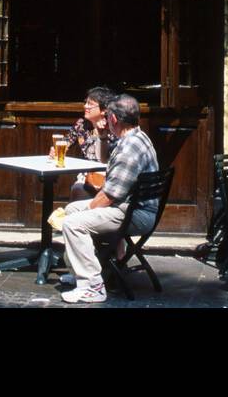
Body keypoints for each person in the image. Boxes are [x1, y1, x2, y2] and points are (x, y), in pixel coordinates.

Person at [59, 94, 159, 303]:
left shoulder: (129, 149)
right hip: (131, 207)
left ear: (114, 119)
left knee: (72, 223)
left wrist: (87, 213)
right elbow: (109, 174)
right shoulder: (137, 137)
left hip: (136, 214)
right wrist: (103, 136)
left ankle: (93, 286)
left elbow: (109, 196)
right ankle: (83, 272)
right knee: (71, 210)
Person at [55, 86, 116, 201]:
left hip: (107, 177)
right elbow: (66, 142)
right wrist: (56, 150)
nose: (85, 106)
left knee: (77, 190)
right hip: (86, 176)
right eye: (85, 103)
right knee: (77, 188)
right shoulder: (82, 124)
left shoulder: (112, 127)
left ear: (104, 110)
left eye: (90, 104)